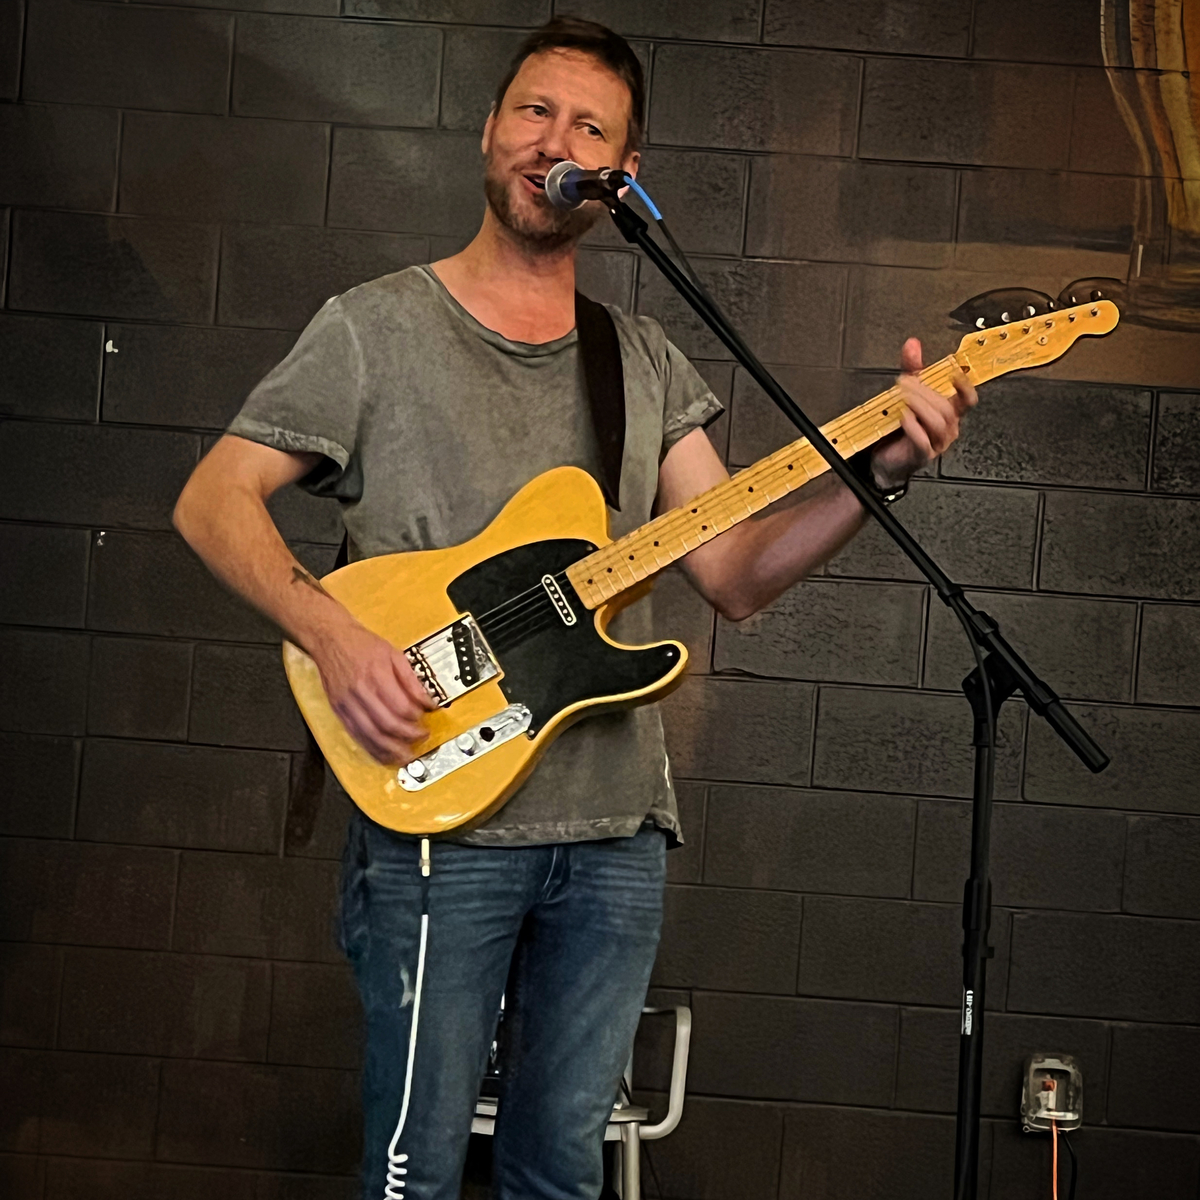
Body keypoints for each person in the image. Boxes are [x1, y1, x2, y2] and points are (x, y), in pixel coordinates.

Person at [173, 16, 976, 1200]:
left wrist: (882, 470)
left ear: (623, 174)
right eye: (536, 111)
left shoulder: (638, 362)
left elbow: (736, 574)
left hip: (612, 841)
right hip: (439, 827)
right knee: (413, 1176)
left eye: (590, 128)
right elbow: (211, 501)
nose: (556, 140)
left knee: (562, 1177)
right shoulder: (374, 329)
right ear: (490, 130)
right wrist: (334, 637)